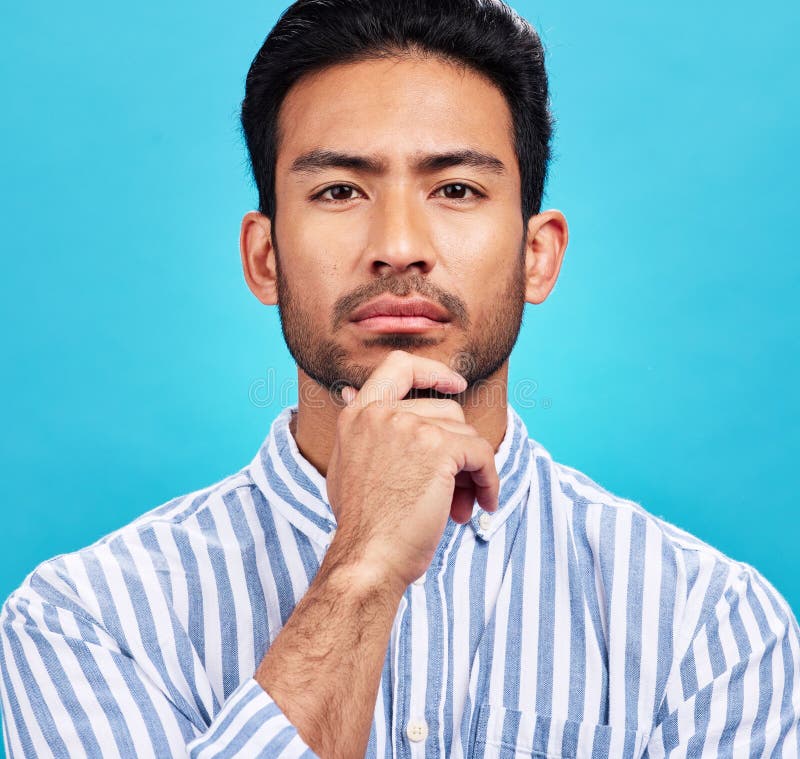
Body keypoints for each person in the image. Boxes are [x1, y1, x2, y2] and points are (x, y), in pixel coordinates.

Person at [2, 0, 799, 756]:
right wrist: (364, 564)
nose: (399, 245)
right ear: (264, 256)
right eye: (340, 190)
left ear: (538, 255)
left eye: (455, 189)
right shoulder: (87, 618)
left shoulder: (711, 626)